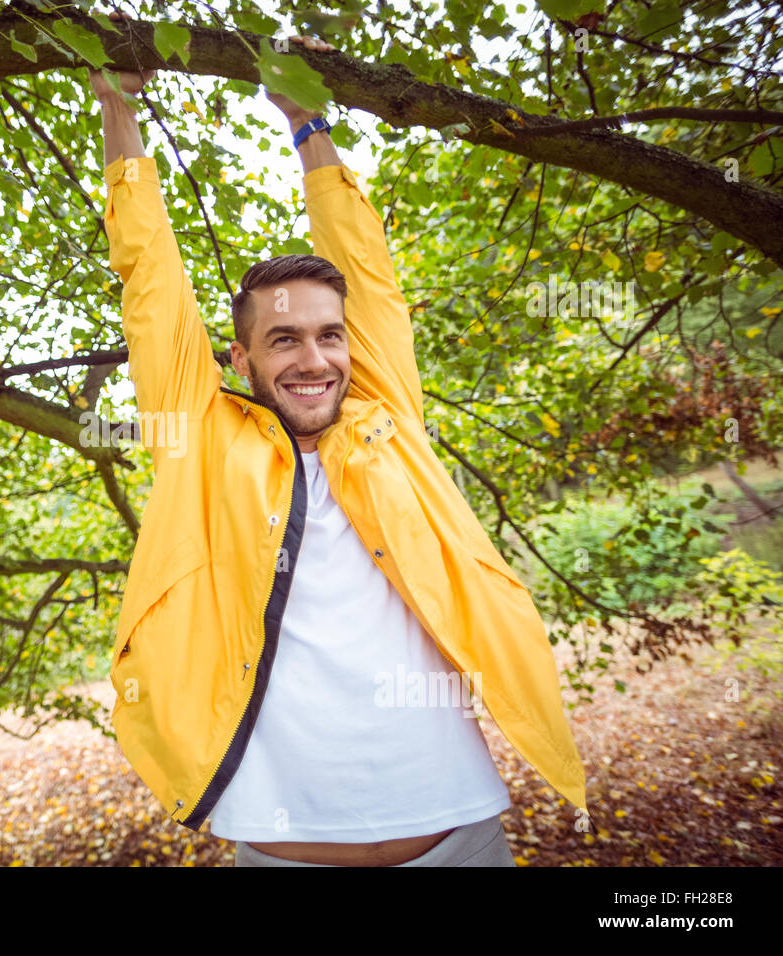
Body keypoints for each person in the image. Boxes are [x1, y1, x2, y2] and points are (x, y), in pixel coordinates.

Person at [91, 27, 586, 867]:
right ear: (239, 359)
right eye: (283, 340)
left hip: (460, 838)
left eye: (329, 335)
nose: (314, 359)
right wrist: (116, 107)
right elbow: (149, 278)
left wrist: (305, 119)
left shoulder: (385, 416)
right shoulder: (202, 440)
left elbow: (370, 271)